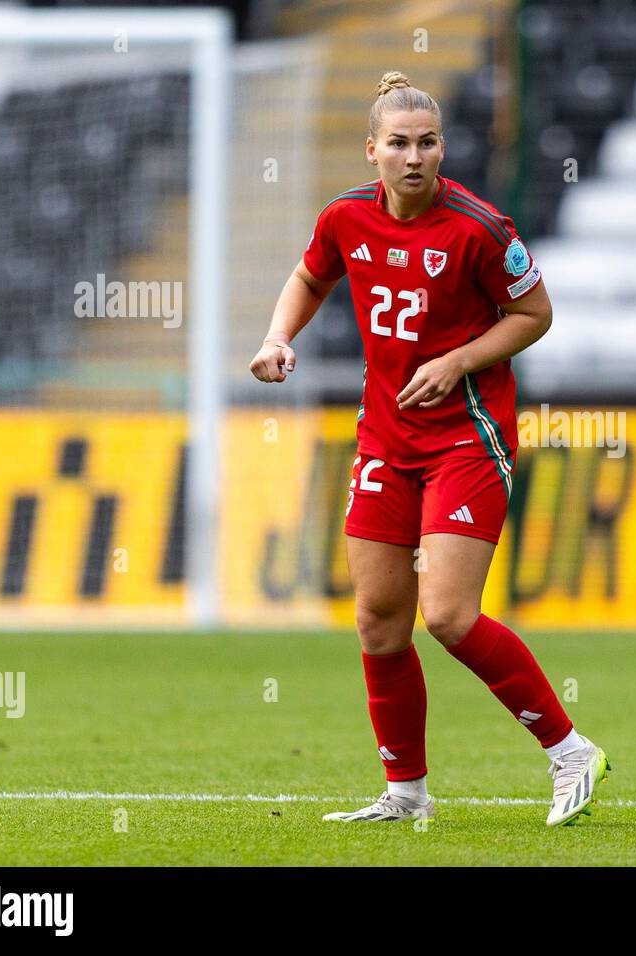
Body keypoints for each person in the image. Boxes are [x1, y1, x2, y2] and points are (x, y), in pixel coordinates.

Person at [249, 70, 609, 826]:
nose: (416, 157)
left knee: (446, 614)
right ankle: (406, 792)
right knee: (380, 619)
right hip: (384, 437)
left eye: (429, 142)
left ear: (441, 148)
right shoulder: (345, 217)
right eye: (401, 144)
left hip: (465, 439)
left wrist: (457, 361)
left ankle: (570, 749)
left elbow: (534, 312)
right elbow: (310, 277)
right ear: (372, 149)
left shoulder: (479, 227)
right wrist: (279, 337)